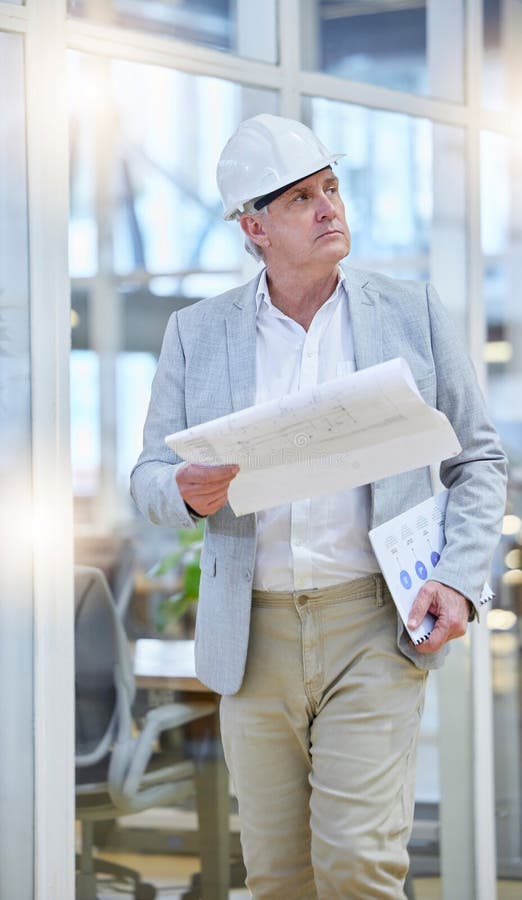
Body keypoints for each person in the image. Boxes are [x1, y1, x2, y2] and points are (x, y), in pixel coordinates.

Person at [131, 114, 507, 899]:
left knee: (359, 869)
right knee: (277, 877)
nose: (330, 207)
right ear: (254, 226)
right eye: (302, 197)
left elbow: (479, 459)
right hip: (252, 636)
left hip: (372, 621)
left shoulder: (413, 312)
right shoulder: (196, 335)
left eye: (332, 187)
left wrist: (463, 578)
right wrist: (182, 492)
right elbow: (148, 478)